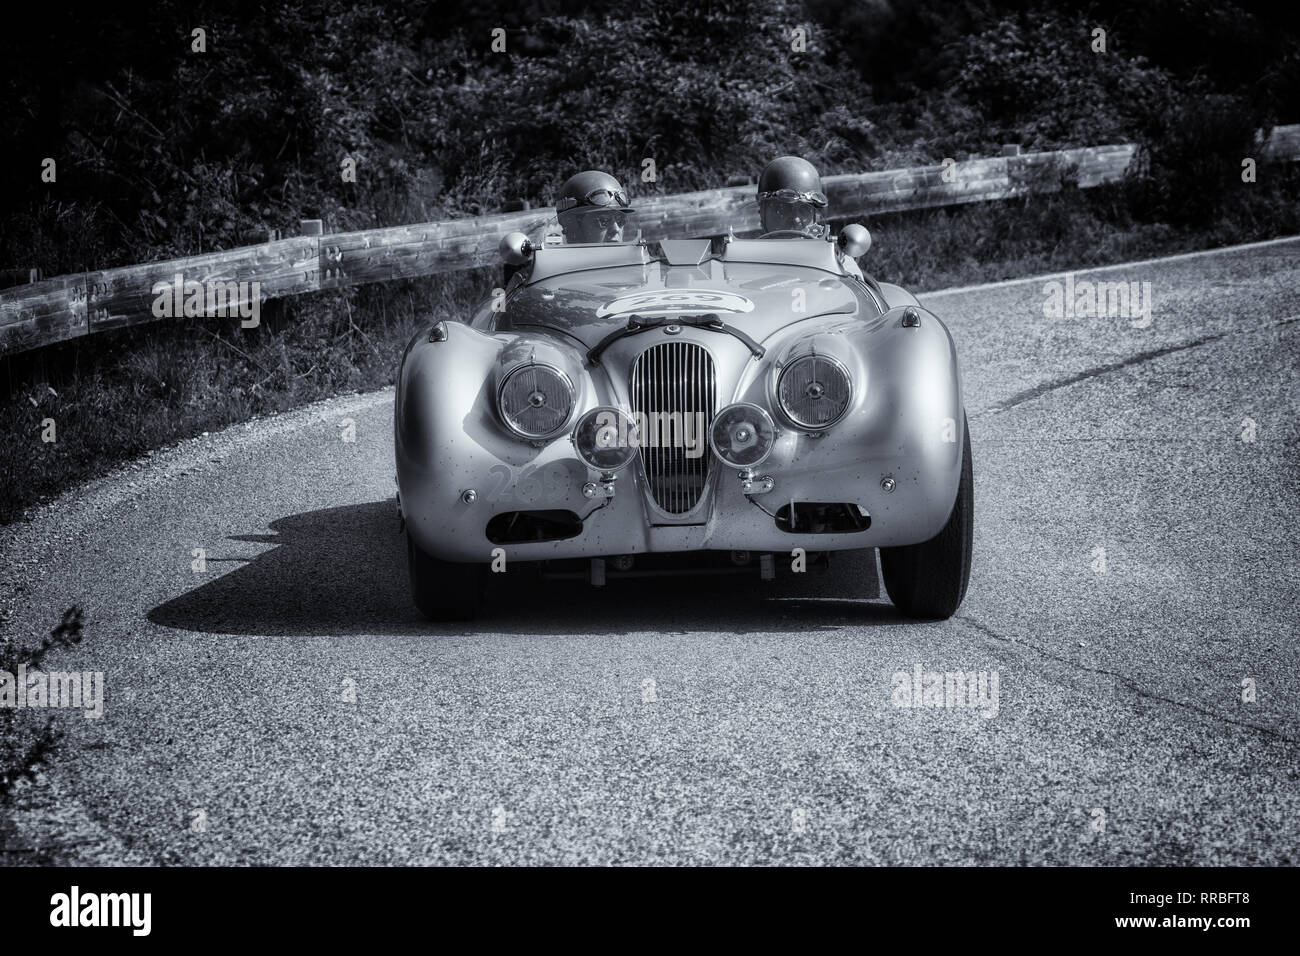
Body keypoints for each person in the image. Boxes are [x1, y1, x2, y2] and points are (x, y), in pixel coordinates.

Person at [756, 156, 829, 239]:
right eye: (784, 209)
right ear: (762, 212)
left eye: (803, 210)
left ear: (816, 216)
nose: (796, 219)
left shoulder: (828, 251)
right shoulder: (745, 251)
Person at [555, 170, 635, 243]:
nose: (616, 229)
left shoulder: (635, 258)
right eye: (604, 221)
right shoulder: (552, 258)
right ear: (572, 224)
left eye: (620, 220)